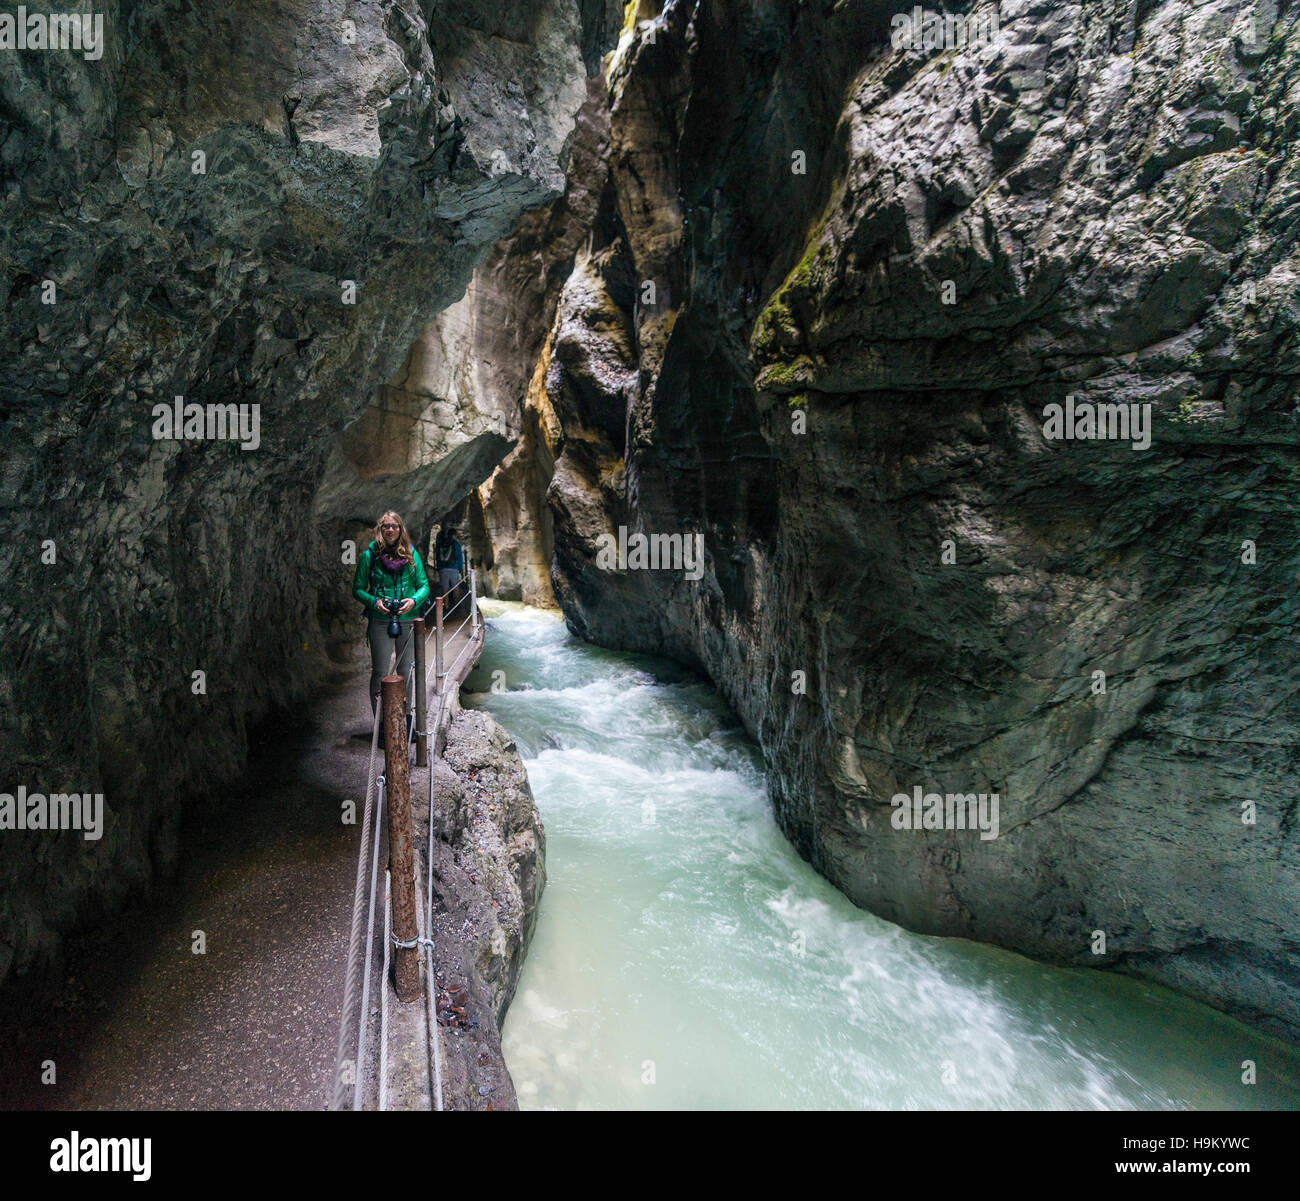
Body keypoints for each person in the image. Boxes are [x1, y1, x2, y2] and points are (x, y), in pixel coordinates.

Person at [352, 511, 430, 735]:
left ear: (400, 529)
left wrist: (413, 601)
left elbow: (424, 585)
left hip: (406, 619)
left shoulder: (411, 554)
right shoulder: (370, 556)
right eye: (386, 526)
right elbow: (357, 589)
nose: (390, 530)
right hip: (379, 619)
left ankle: (404, 720)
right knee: (380, 672)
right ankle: (382, 724)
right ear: (380, 529)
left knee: (406, 669)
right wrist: (374, 602)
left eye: (394, 526)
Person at [433, 523, 465, 601]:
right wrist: (460, 569)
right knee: (455, 588)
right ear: (454, 535)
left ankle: (446, 607)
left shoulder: (440, 543)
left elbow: (437, 556)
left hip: (443, 569)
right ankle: (457, 607)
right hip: (454, 568)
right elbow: (459, 557)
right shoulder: (456, 544)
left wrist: (439, 568)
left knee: (445, 589)